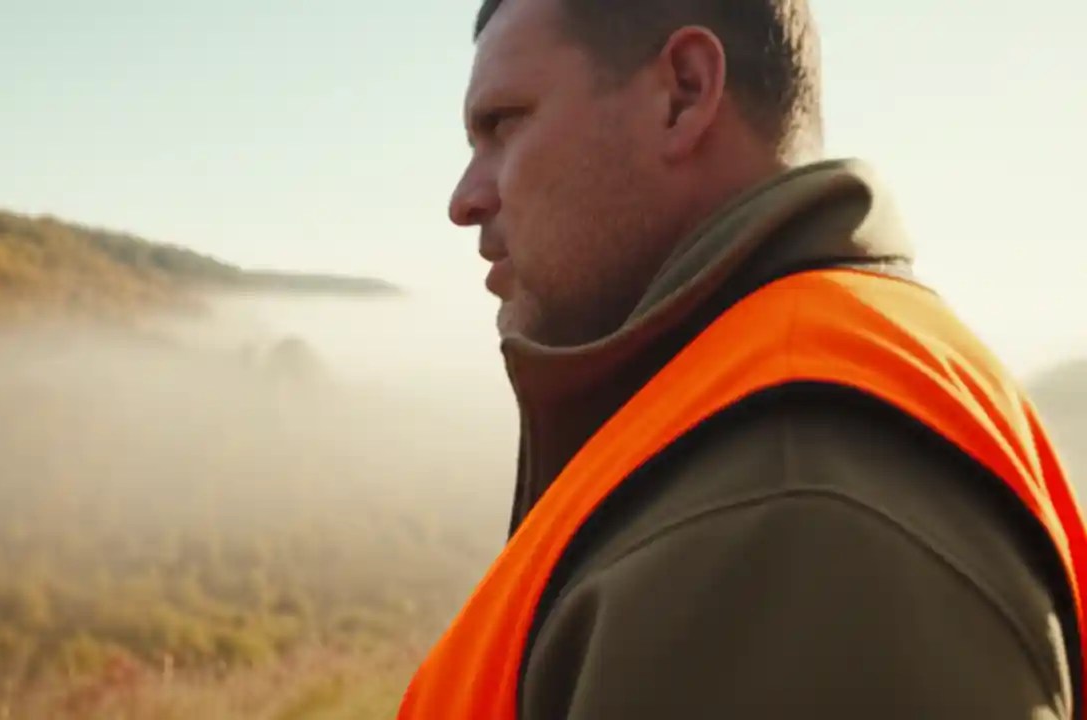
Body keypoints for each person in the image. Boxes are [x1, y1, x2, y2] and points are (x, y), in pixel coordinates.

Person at [397, 0, 1087, 718]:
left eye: (504, 124)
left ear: (684, 93)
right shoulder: (749, 414)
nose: (465, 199)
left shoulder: (790, 512)